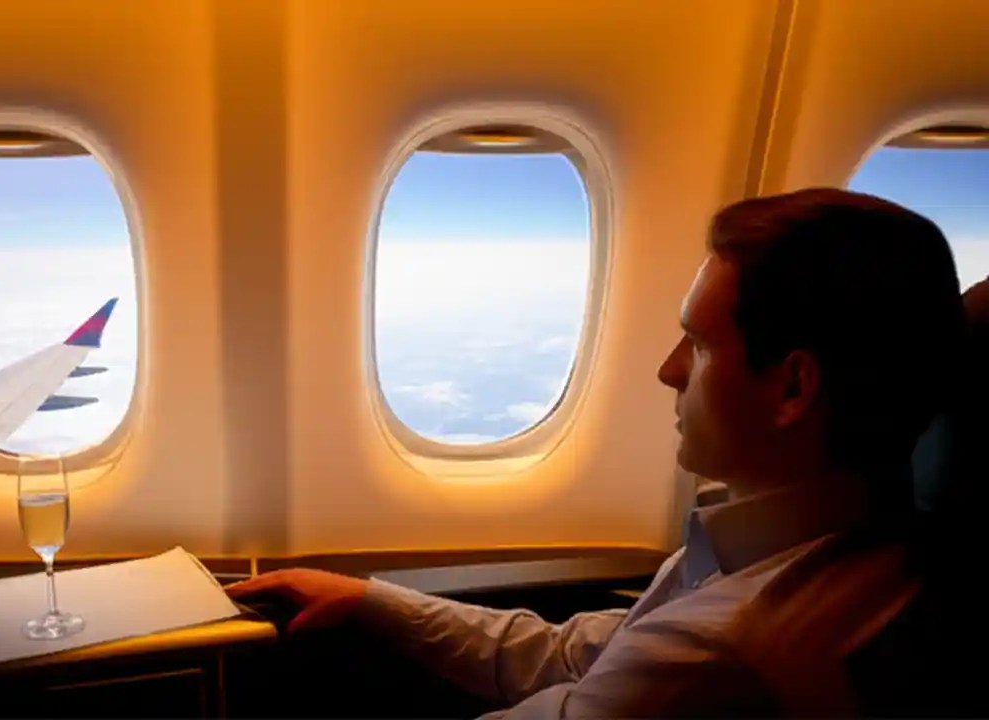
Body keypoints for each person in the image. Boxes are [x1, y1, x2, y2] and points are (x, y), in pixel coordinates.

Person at [225, 188, 967, 718]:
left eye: (701, 345)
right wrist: (369, 598)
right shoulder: (833, 550)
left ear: (793, 388)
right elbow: (575, 655)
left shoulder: (720, 650)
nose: (668, 370)